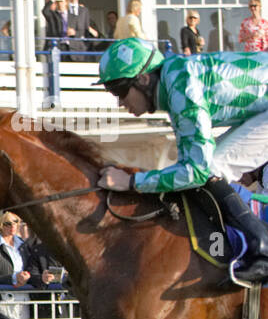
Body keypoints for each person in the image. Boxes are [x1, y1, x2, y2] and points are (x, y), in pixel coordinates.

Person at [96, 36, 268, 282]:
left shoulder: (182, 87)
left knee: (212, 166)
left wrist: (131, 182)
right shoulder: (175, 79)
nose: (120, 102)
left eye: (120, 90)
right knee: (209, 166)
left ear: (143, 79)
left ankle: (261, 248)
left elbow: (196, 171)